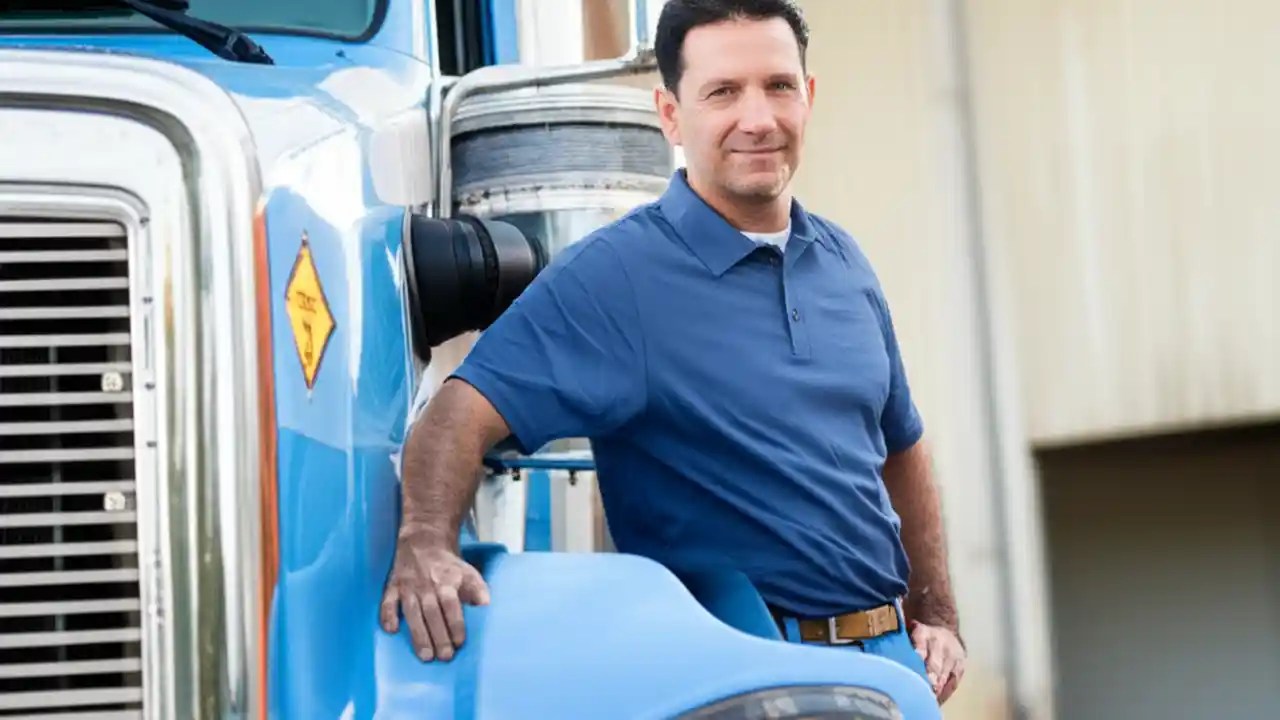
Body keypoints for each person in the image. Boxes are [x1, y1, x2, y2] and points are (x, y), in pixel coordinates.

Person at [380, 0, 966, 705]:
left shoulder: (845, 262)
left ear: (808, 98)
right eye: (723, 92)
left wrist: (936, 615)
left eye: (778, 85)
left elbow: (904, 446)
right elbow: (459, 412)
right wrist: (426, 544)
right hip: (746, 678)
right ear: (669, 114)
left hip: (891, 674)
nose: (757, 118)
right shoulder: (616, 278)